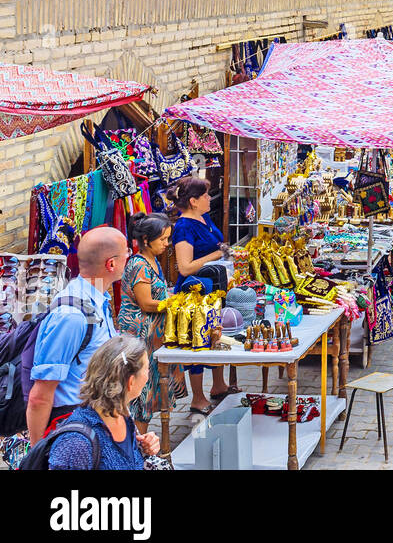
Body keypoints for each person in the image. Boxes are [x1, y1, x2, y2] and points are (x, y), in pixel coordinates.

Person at [26, 226, 126, 442]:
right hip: (74, 433)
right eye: (126, 253)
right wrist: (37, 457)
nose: (129, 256)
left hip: (96, 425)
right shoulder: (71, 316)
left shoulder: (98, 300)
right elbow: (40, 397)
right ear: (111, 264)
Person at [169, 176, 238, 412]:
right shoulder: (183, 227)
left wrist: (225, 252)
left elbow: (215, 244)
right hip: (195, 292)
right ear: (193, 201)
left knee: (214, 336)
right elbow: (185, 267)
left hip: (214, 287)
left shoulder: (203, 217)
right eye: (206, 195)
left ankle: (218, 385)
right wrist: (216, 256)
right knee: (197, 341)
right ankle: (198, 398)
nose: (210, 198)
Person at [44, 335, 159, 470]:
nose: (148, 374)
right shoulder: (76, 444)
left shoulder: (122, 414)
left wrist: (144, 449)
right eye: (147, 369)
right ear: (131, 382)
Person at [116, 214, 177, 436]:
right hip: (140, 336)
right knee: (142, 392)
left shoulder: (153, 260)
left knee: (151, 389)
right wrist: (174, 302)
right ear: (145, 239)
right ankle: (137, 445)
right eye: (163, 240)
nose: (166, 244)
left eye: (167, 239)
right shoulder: (139, 264)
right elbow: (146, 303)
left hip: (153, 335)